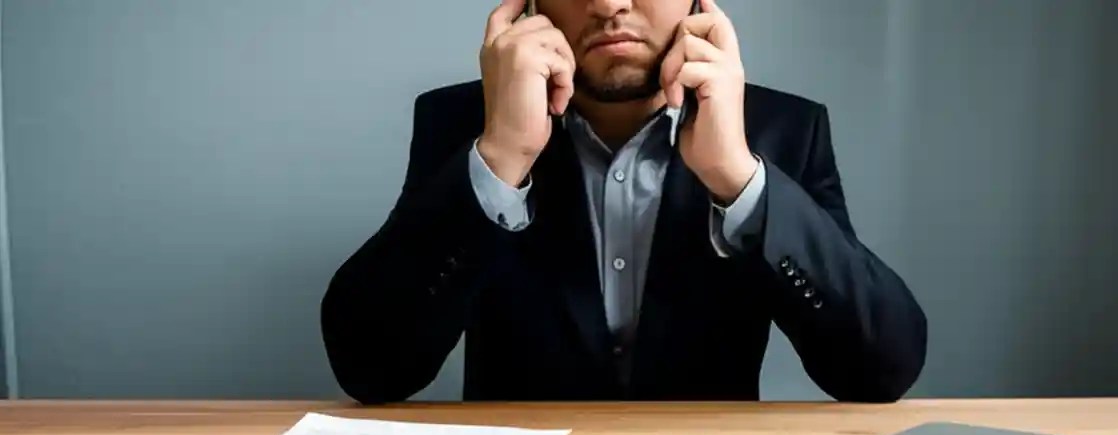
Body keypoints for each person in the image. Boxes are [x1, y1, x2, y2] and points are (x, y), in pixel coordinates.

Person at [321, 0, 927, 403]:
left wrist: (738, 179)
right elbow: (371, 369)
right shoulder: (465, 123)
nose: (610, 3)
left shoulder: (779, 130)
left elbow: (881, 370)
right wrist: (502, 156)